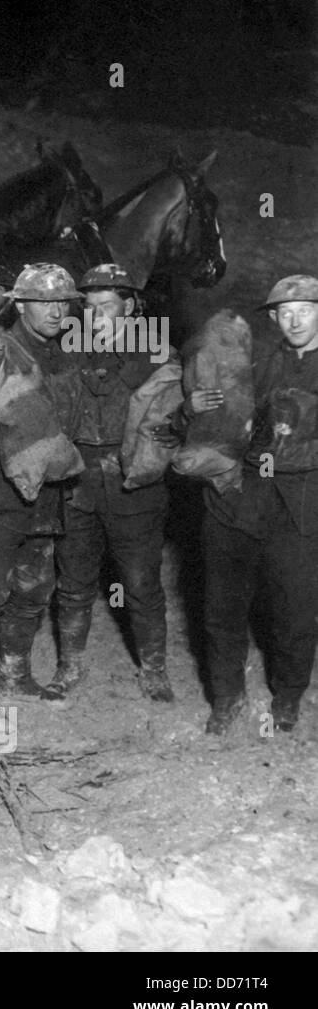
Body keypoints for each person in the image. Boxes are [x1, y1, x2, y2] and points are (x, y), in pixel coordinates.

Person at [0, 263, 83, 708]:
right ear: (20, 304)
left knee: (34, 588)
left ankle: (15, 674)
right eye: (43, 302)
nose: (55, 310)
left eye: (62, 301)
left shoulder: (64, 355)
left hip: (44, 496)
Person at [194, 275, 318, 734]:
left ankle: (287, 696)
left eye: (305, 310)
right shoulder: (259, 365)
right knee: (223, 606)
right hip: (243, 500)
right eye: (285, 313)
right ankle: (226, 697)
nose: (294, 320)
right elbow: (225, 421)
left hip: (301, 507)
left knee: (295, 610)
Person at [47, 263, 172, 703]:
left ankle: (154, 669)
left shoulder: (156, 352)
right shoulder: (67, 350)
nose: (97, 315)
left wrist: (176, 429)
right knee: (74, 579)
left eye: (107, 306)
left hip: (132, 483)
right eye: (90, 307)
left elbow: (175, 412)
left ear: (131, 307)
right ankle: (70, 667)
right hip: (78, 480)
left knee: (140, 582)